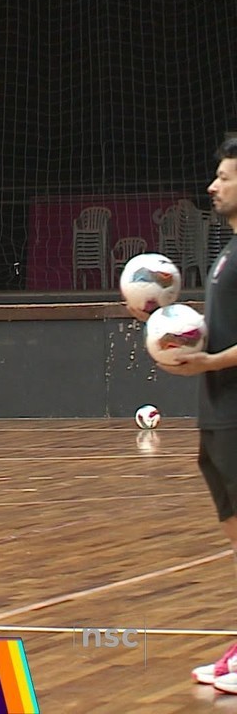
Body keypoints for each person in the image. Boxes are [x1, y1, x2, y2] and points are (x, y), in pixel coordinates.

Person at [162, 139, 237, 693]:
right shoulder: (227, 251)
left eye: (224, 177)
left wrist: (209, 360)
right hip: (216, 413)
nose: (212, 185)